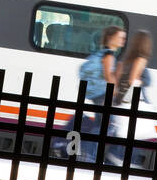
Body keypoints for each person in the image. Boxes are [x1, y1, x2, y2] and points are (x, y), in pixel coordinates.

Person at [51, 25, 124, 162]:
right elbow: (109, 77)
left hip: (98, 95)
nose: (122, 40)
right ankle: (91, 155)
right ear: (111, 38)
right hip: (104, 95)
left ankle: (90, 154)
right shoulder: (108, 55)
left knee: (100, 125)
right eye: (120, 37)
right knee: (106, 127)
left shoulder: (102, 53)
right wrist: (117, 93)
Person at [105, 30, 153, 167]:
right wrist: (141, 82)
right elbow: (133, 80)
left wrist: (118, 99)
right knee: (132, 135)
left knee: (123, 134)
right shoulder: (141, 59)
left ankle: (113, 161)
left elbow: (117, 80)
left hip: (120, 101)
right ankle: (124, 162)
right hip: (131, 102)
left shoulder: (126, 59)